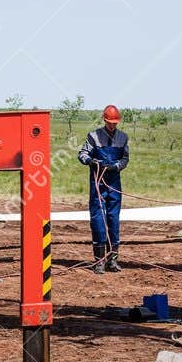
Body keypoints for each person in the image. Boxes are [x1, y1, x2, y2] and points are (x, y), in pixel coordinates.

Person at [78, 104, 130, 274]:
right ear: (104, 120)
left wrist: (116, 166)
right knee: (98, 220)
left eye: (114, 123)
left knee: (113, 220)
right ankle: (99, 261)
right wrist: (90, 161)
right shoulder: (93, 136)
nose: (112, 125)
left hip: (114, 183)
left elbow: (125, 159)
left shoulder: (123, 137)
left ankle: (112, 260)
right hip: (98, 183)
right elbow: (82, 154)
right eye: (109, 122)